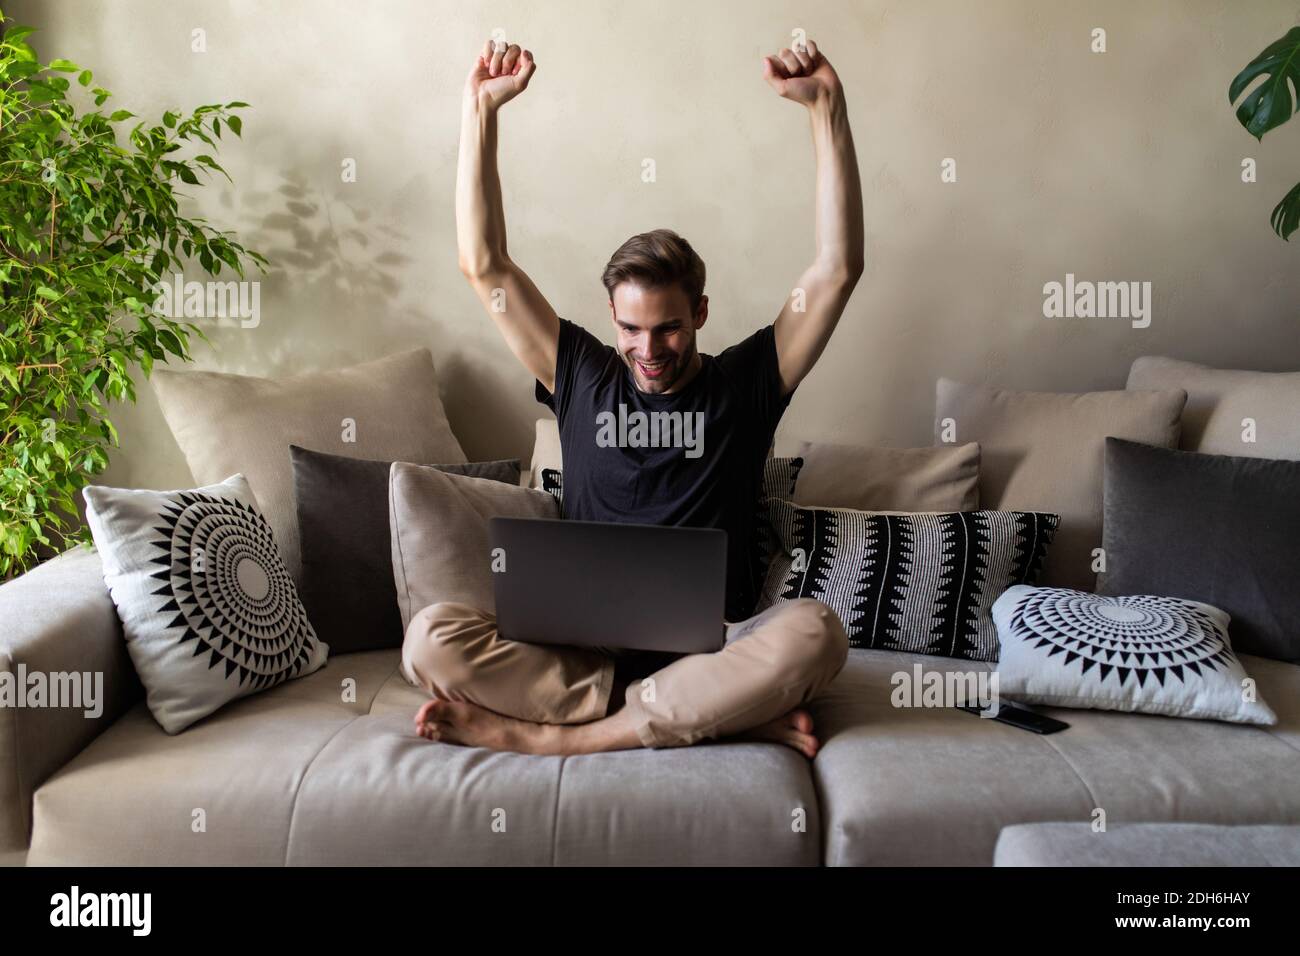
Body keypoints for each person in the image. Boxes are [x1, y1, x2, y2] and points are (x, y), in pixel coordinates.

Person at [407, 35, 865, 757]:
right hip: (587, 657)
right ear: (612, 319)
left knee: (817, 633)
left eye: (669, 328)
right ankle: (708, 715)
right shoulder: (580, 375)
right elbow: (484, 264)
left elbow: (837, 269)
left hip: (714, 649)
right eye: (631, 329)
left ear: (700, 313)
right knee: (430, 639)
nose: (649, 351)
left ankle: (559, 739)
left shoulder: (747, 383)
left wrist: (826, 108)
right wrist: (481, 112)